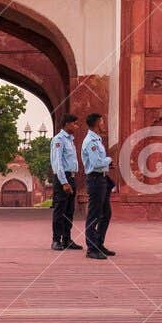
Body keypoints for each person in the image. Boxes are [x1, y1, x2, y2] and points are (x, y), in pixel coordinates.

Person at [82, 111, 115, 259]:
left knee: (106, 213)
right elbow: (96, 163)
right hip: (95, 180)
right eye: (102, 121)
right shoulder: (90, 141)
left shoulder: (97, 139)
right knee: (94, 214)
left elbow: (98, 162)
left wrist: (107, 164)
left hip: (101, 179)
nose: (103, 124)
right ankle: (91, 248)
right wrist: (108, 160)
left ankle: (99, 243)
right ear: (96, 123)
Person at [49, 112, 81, 250]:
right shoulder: (59, 140)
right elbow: (57, 163)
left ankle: (67, 239)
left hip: (71, 177)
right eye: (74, 123)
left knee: (69, 210)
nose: (76, 126)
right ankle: (56, 240)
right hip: (63, 178)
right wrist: (64, 182)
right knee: (60, 210)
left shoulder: (70, 140)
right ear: (67, 124)